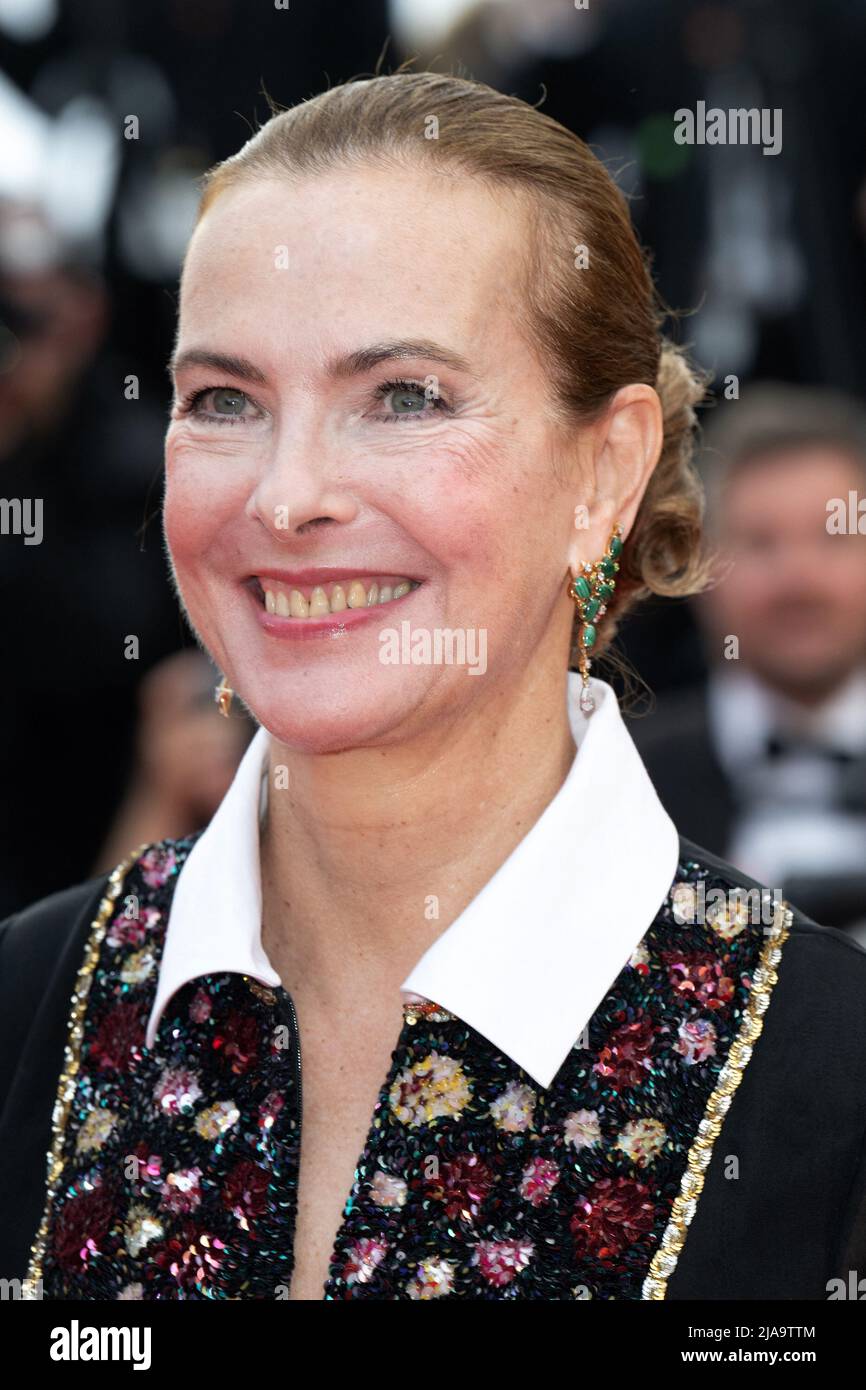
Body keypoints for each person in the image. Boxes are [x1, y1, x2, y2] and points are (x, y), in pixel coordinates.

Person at [1, 69, 865, 1303]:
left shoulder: (833, 1079)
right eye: (224, 401)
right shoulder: (28, 1009)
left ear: (604, 472)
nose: (286, 494)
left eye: (402, 397)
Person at [632, 384, 866, 938]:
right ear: (699, 568)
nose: (799, 580)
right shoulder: (623, 779)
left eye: (833, 538)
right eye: (760, 543)